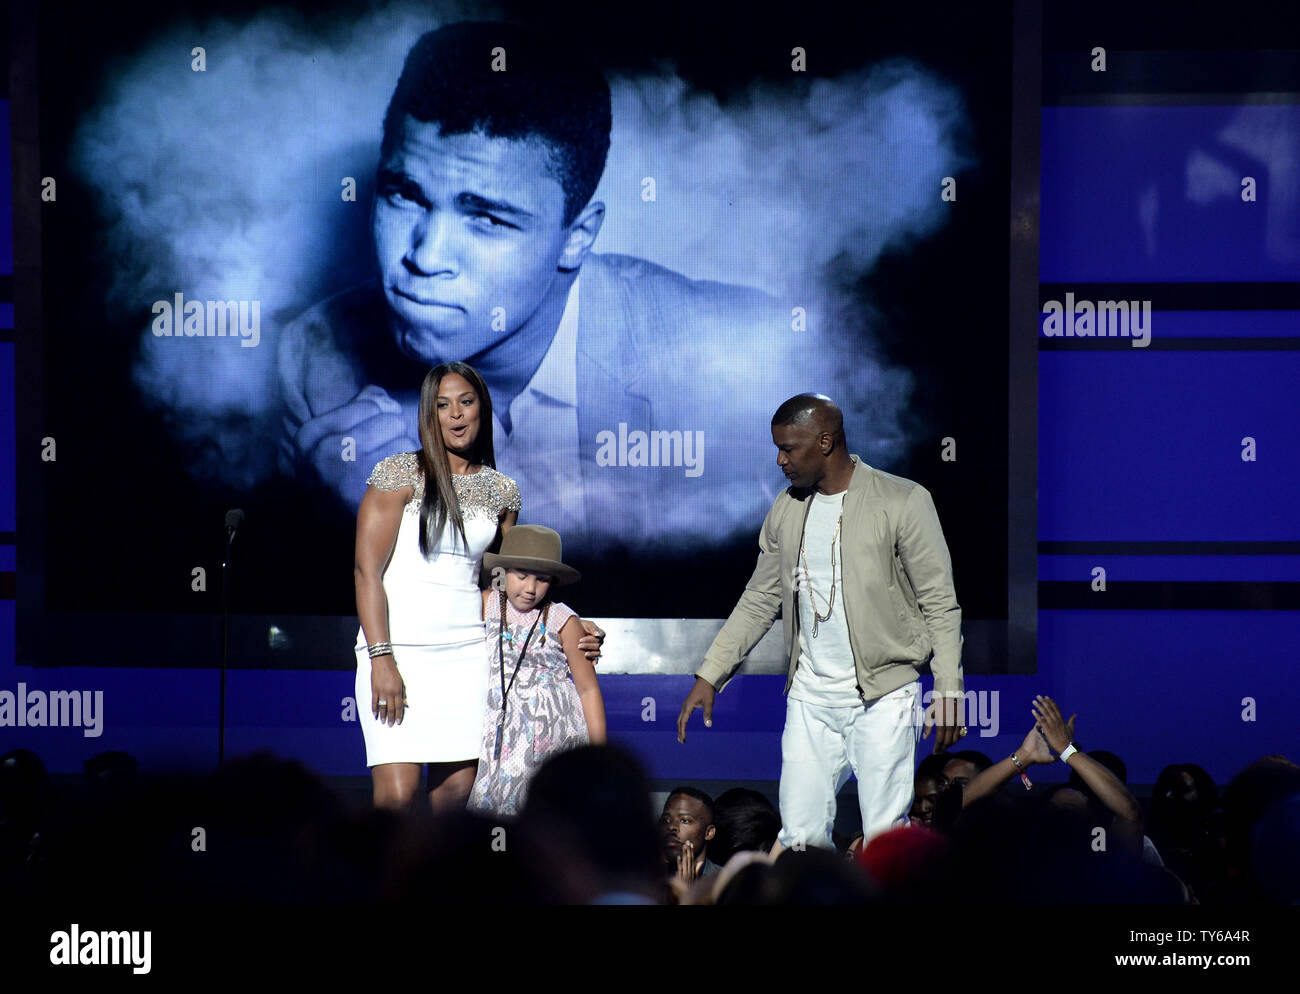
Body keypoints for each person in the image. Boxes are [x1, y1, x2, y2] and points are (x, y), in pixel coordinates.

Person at [277, 21, 802, 555]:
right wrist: (356, 530)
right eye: (404, 195)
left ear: (576, 238)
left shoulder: (728, 358)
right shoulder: (319, 363)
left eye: (486, 218)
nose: (424, 257)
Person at [676, 393, 966, 851]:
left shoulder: (903, 500)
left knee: (885, 837)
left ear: (825, 441)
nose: (779, 460)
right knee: (799, 838)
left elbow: (940, 602)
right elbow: (760, 598)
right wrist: (711, 673)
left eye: (789, 448)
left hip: (883, 694)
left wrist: (948, 688)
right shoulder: (788, 508)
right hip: (811, 696)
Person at [352, 361, 602, 812]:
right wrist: (381, 657)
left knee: (456, 797)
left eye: (466, 402)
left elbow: (509, 582)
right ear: (429, 414)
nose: (456, 415)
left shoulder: (502, 491)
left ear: (482, 409)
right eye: (443, 405)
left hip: (469, 654)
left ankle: (441, 885)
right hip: (398, 648)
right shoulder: (396, 474)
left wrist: (568, 626)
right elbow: (365, 571)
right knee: (396, 798)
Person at [467, 525, 606, 817]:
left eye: (542, 579)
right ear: (502, 572)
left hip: (552, 734)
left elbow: (587, 688)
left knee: (548, 815)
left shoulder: (563, 619)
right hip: (500, 732)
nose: (530, 588)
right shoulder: (485, 604)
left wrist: (600, 756)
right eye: (521, 576)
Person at [658, 787, 720, 884]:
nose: (672, 827)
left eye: (685, 821)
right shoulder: (645, 879)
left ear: (709, 833)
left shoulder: (724, 881)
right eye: (666, 820)